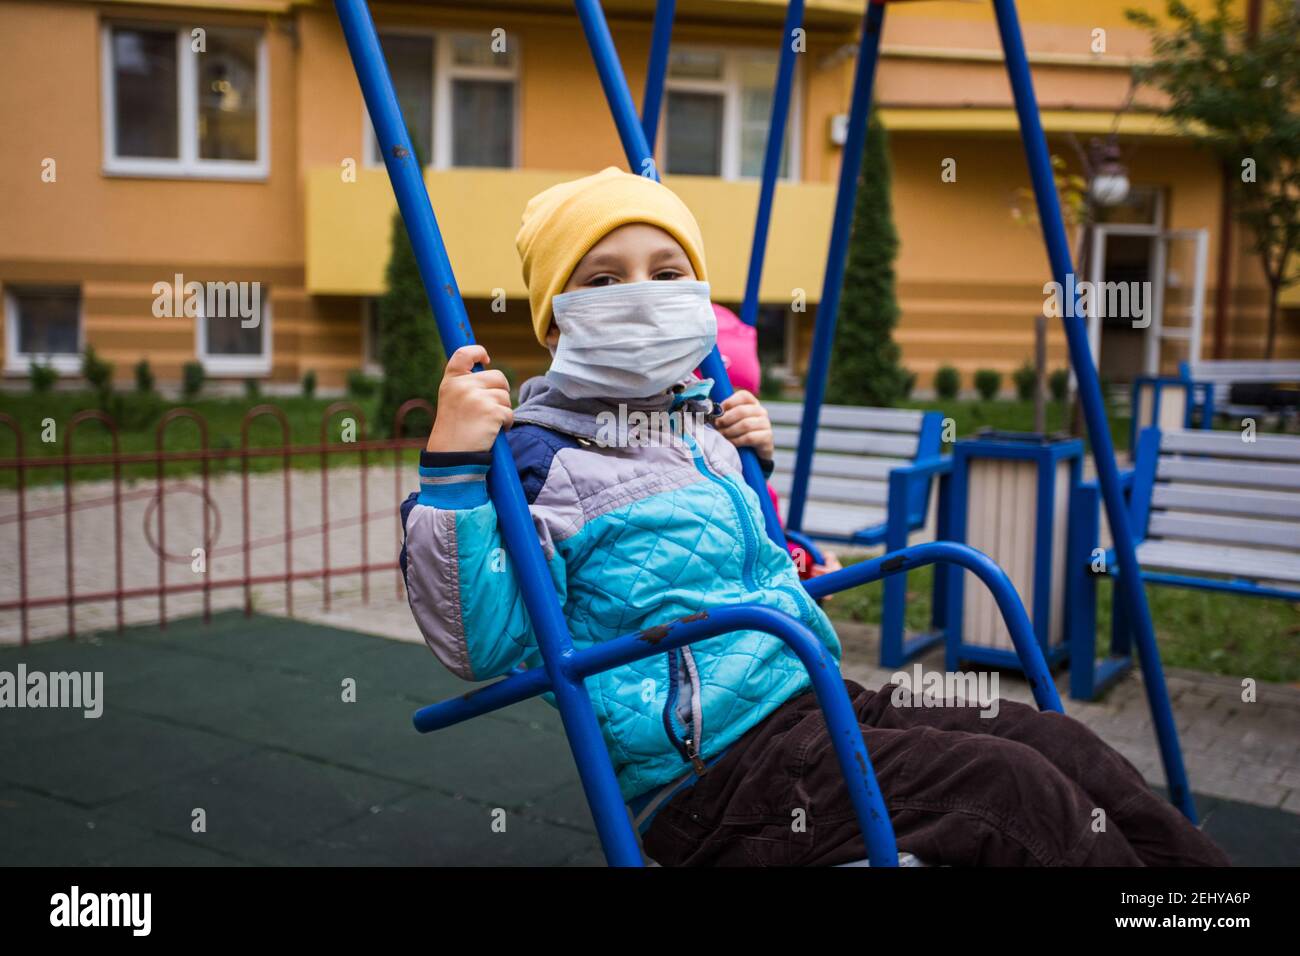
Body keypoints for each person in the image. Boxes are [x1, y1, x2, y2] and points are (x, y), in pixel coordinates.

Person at [399, 167, 1228, 867]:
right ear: (556, 320)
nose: (642, 298)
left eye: (666, 272)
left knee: (1046, 738)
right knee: (1009, 791)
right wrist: (453, 475)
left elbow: (741, 563)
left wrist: (751, 462)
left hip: (815, 697)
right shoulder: (536, 459)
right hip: (714, 776)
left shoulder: (700, 426)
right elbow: (481, 644)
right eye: (604, 280)